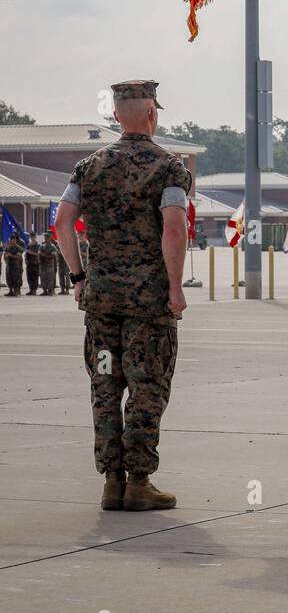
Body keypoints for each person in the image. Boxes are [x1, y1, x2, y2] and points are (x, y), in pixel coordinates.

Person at [55, 79, 191, 513]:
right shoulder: (167, 166)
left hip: (101, 302)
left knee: (105, 384)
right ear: (153, 114)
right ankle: (138, 480)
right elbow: (174, 226)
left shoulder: (88, 166)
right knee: (147, 386)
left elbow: (62, 223)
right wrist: (174, 286)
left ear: (116, 115)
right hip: (148, 303)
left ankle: (111, 481)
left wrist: (79, 275)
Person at [4, 232, 24, 296]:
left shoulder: (18, 248)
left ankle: (15, 291)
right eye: (11, 239)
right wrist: (6, 259)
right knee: (9, 278)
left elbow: (19, 257)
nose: (12, 240)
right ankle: (10, 290)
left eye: (13, 239)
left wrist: (11, 255)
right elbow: (5, 255)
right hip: (9, 265)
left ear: (15, 240)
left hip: (15, 265)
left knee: (15, 278)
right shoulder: (8, 247)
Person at [39, 231, 58, 295]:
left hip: (50, 265)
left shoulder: (53, 246)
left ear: (50, 238)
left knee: (50, 278)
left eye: (47, 237)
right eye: (45, 238)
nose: (46, 239)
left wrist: (43, 255)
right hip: (43, 265)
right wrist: (43, 255)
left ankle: (50, 291)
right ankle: (44, 291)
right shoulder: (42, 246)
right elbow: (39, 254)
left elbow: (52, 256)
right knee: (43, 278)